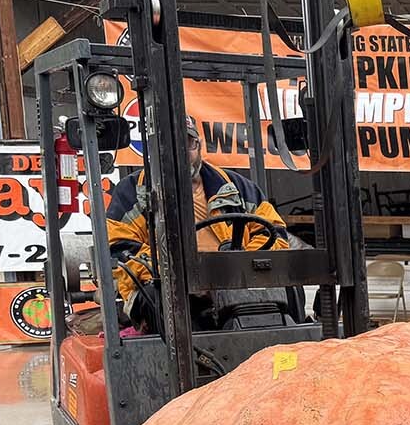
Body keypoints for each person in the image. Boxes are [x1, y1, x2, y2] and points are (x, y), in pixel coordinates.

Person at [106, 115, 295, 334]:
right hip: (172, 284)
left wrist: (239, 271)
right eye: (169, 142)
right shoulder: (132, 194)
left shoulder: (237, 187)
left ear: (199, 146)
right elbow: (120, 252)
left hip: (234, 280)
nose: (179, 151)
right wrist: (183, 273)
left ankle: (289, 352)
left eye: (187, 143)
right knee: (160, 296)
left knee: (289, 287)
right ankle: (189, 364)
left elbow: (275, 233)